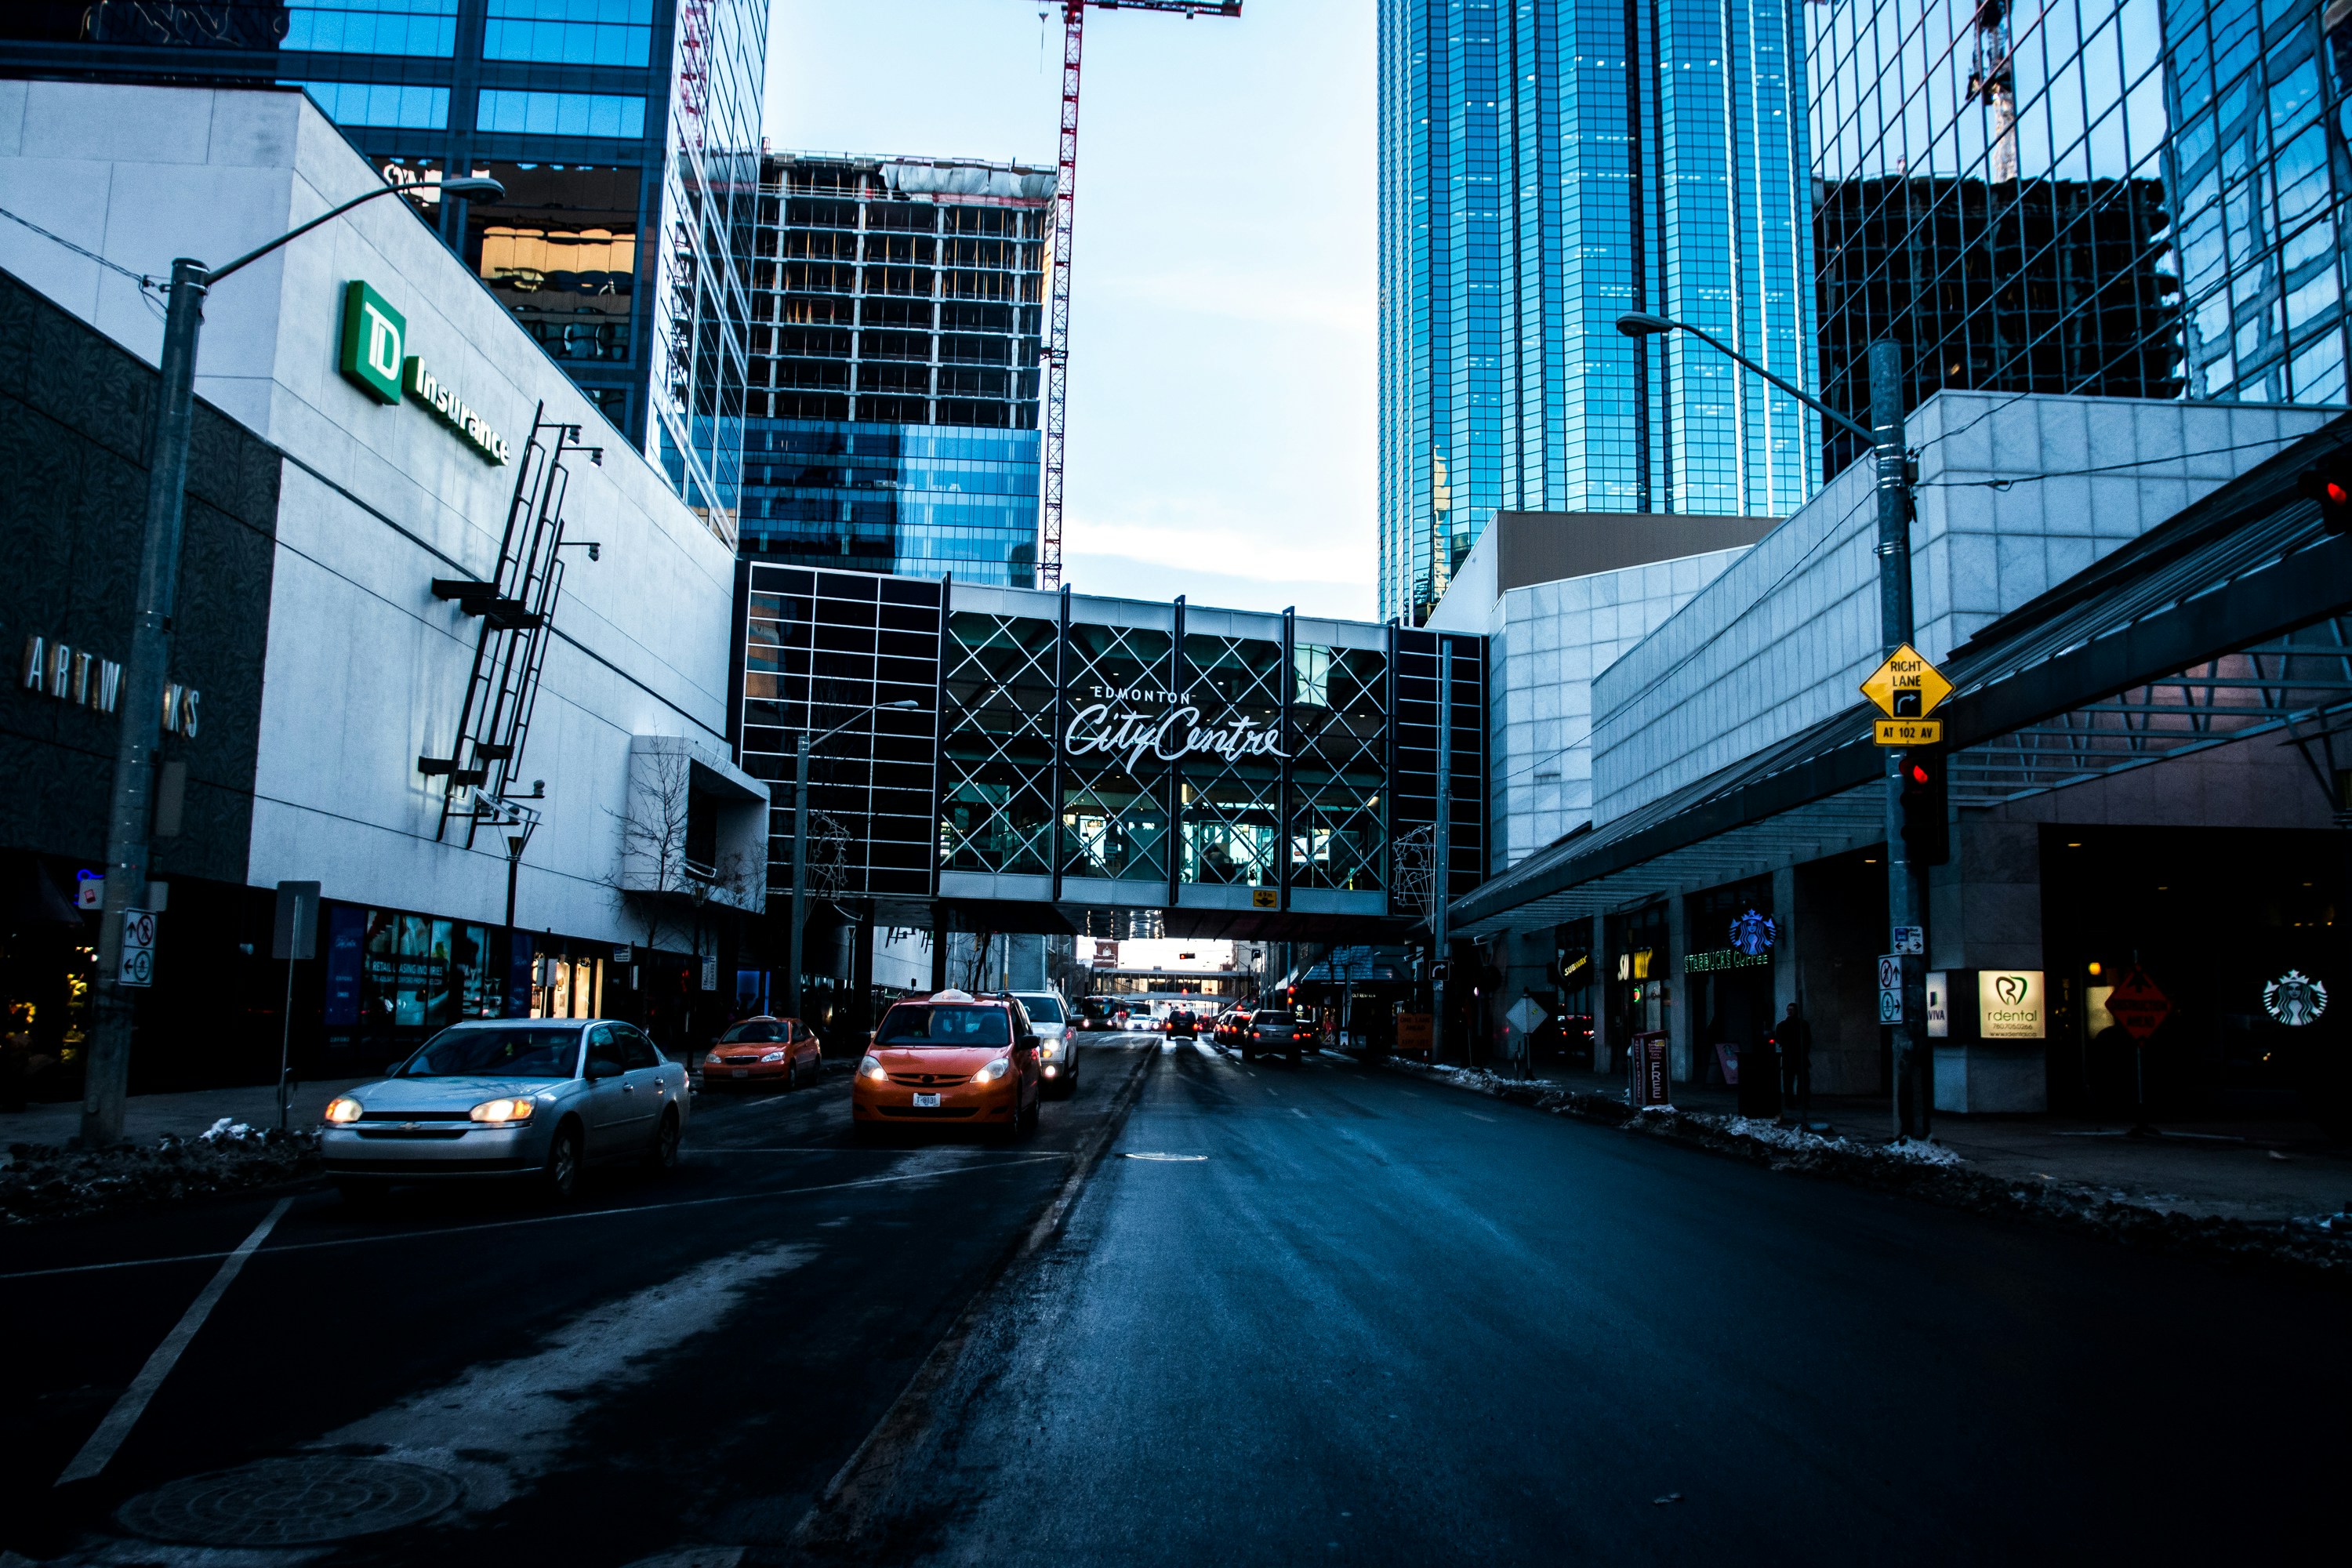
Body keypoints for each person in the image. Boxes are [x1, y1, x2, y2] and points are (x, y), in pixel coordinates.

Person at [1774, 1003, 1813, 1116]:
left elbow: (1807, 1040)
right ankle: (1792, 1102)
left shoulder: (1801, 1025)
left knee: (1801, 1081)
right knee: (1790, 1081)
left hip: (1797, 1056)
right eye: (1789, 1009)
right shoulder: (1784, 1025)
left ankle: (1801, 1101)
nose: (1790, 1011)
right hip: (1791, 1056)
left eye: (1792, 1010)